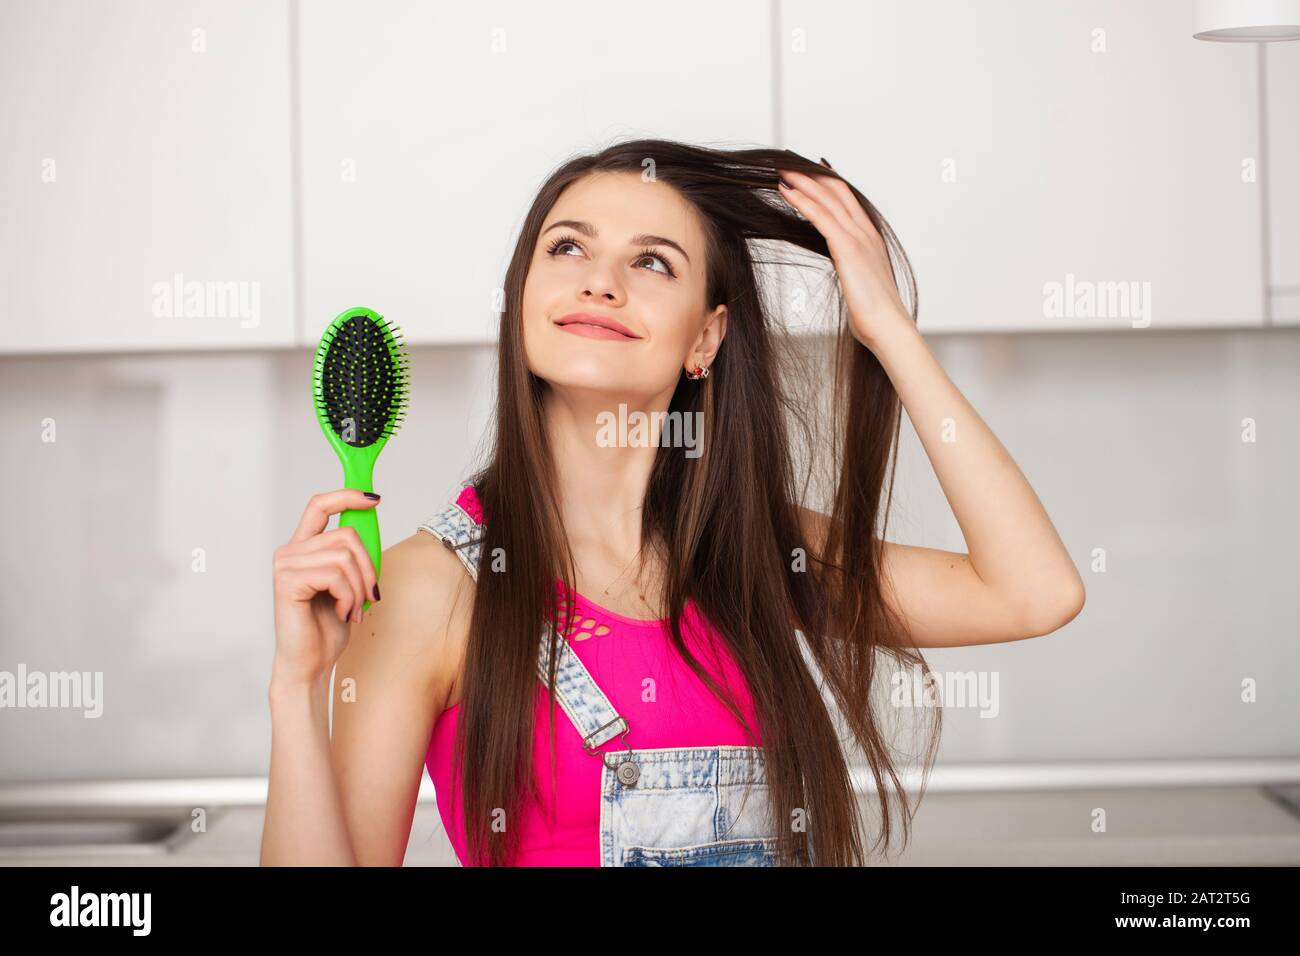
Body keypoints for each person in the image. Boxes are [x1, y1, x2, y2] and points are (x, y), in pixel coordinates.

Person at [261, 140, 1085, 867]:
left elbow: (1032, 591)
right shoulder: (426, 590)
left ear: (706, 339)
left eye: (652, 262)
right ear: (522, 307)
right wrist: (297, 690)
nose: (600, 282)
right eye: (568, 248)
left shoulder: (755, 555)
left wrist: (887, 331)